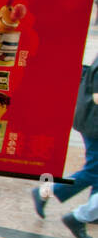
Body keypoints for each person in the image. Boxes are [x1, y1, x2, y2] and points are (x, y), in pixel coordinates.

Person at [32, 57, 98, 226]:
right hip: (93, 125)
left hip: (91, 122)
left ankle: (92, 211)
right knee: (93, 170)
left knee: (95, 169)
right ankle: (43, 191)